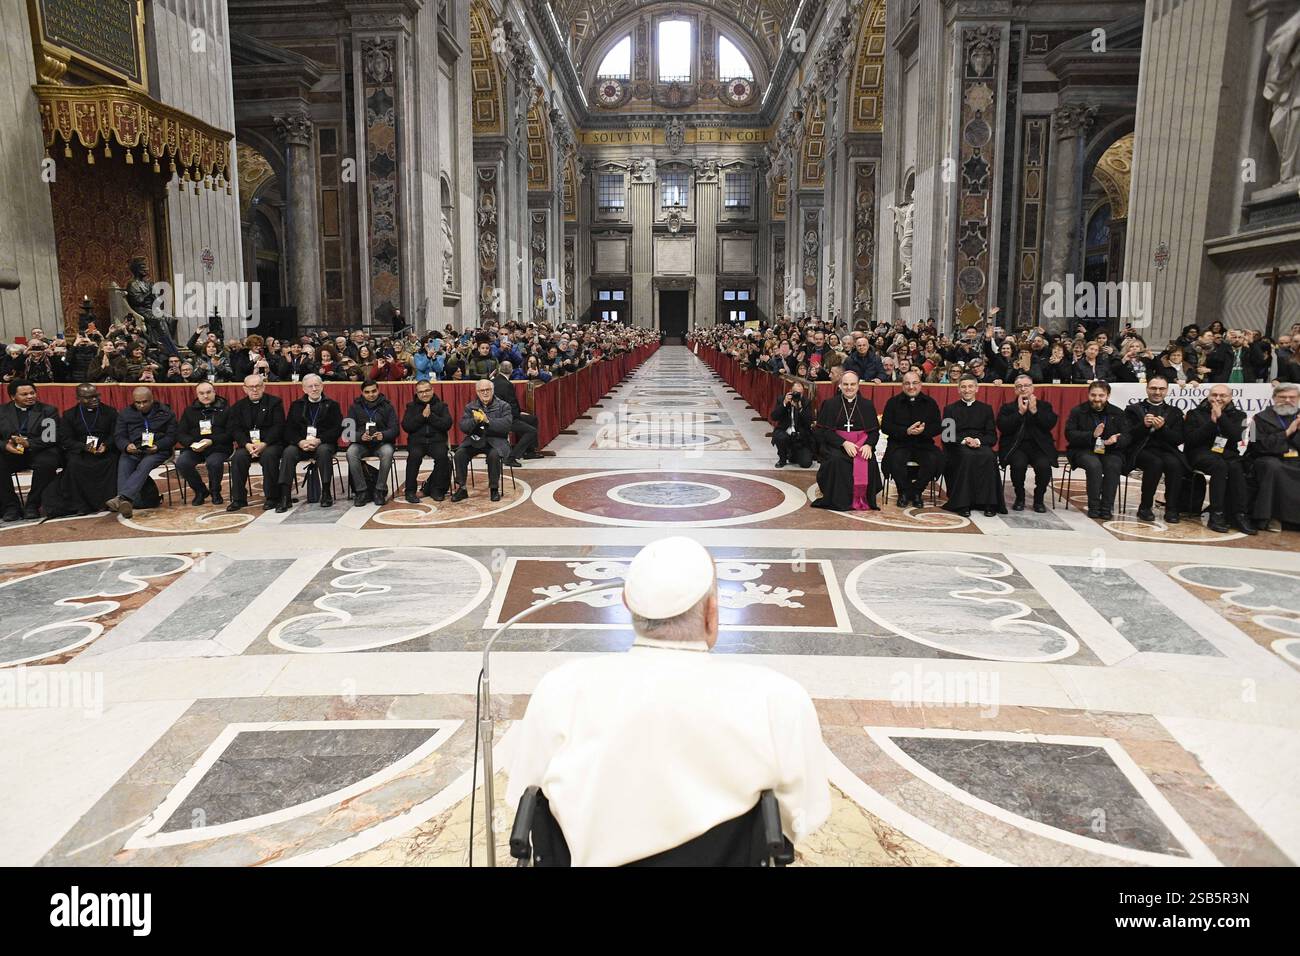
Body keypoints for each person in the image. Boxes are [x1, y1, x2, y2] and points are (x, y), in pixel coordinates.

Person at [505, 536, 830, 867]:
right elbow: (802, 818)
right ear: (712, 614)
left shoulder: (559, 689)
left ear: (626, 603)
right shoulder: (779, 701)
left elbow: (525, 796)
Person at [1184, 384, 1254, 534]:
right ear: (1208, 396)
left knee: (1237, 466)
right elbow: (1191, 440)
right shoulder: (1194, 413)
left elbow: (1236, 436)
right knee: (1219, 466)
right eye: (1214, 395)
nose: (1218, 398)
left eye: (1223, 396)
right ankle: (1216, 514)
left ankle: (1240, 514)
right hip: (1200, 452)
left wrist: (1221, 417)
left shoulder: (1239, 415)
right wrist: (1212, 423)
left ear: (1230, 398)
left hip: (1226, 452)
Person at [41, 384, 119, 517]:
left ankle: (108, 501)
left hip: (104, 450)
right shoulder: (70, 415)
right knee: (74, 464)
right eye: (89, 397)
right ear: (79, 398)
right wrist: (84, 447)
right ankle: (81, 504)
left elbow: (116, 433)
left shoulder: (110, 412)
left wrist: (106, 445)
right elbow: (66, 439)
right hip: (81, 451)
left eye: (96, 396)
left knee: (112, 461)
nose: (94, 400)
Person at [810, 371, 881, 510]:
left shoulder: (867, 405)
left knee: (869, 460)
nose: (849, 387)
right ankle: (840, 500)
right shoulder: (830, 404)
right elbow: (823, 431)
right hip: (836, 445)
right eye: (846, 384)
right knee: (837, 460)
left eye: (852, 384)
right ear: (840, 386)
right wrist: (843, 443)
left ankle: (863, 498)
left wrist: (868, 445)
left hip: (861, 445)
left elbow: (874, 432)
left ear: (858, 385)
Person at [1122, 376, 1187, 524]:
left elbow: (1178, 439)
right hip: (1140, 450)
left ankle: (1171, 508)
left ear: (1167, 391)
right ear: (1147, 389)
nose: (1157, 392)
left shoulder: (1175, 412)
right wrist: (1143, 426)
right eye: (1153, 388)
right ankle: (1145, 507)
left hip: (1166, 449)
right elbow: (1128, 436)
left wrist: (1163, 428)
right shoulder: (1133, 410)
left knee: (1175, 464)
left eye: (1161, 389)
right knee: (1155, 463)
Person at [940, 375, 1005, 517]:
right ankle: (963, 503)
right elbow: (947, 435)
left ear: (976, 388)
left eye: (970, 386)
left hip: (980, 444)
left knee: (989, 456)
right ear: (958, 390)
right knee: (967, 455)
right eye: (963, 387)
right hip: (957, 446)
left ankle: (989, 502)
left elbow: (992, 437)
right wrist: (965, 440)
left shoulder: (986, 409)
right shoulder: (949, 409)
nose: (967, 390)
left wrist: (978, 441)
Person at [107, 386, 177, 518]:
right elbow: (119, 436)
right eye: (137, 402)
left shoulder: (166, 412)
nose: (141, 405)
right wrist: (126, 446)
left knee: (145, 464)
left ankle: (122, 498)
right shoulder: (125, 414)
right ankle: (125, 504)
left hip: (158, 450)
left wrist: (158, 446)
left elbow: (172, 437)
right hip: (135, 450)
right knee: (124, 463)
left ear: (152, 400)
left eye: (145, 402)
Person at [1065, 381, 1129, 519]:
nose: (1097, 399)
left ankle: (1106, 507)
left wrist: (1116, 439)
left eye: (1101, 395)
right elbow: (1069, 434)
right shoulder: (1078, 411)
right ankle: (1094, 506)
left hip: (1110, 450)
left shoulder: (1118, 413)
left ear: (1108, 395)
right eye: (1093, 395)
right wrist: (1092, 435)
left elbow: (1127, 435)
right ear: (1088, 394)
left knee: (1113, 465)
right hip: (1083, 449)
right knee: (1094, 465)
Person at [996, 373, 1059, 513]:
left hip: (1039, 446)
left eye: (1026, 386)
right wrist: (1019, 412)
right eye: (1019, 386)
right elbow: (1003, 427)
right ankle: (1020, 497)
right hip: (1016, 446)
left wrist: (1034, 411)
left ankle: (1039, 498)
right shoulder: (1007, 407)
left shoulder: (1044, 406)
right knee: (1018, 465)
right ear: (1015, 390)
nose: (1023, 389)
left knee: (1043, 466)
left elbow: (1049, 424)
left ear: (1032, 388)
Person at [880, 371, 944, 507]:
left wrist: (924, 431)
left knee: (933, 460)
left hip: (923, 443)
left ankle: (916, 492)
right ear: (902, 385)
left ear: (920, 385)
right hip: (900, 443)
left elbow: (938, 426)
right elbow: (885, 426)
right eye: (907, 383)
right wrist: (906, 431)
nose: (911, 387)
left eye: (914, 383)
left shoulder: (930, 403)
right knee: (895, 459)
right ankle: (903, 492)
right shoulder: (893, 402)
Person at [0, 380, 60, 521]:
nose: (30, 396)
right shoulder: (1, 411)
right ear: (13, 397)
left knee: (48, 463)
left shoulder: (48, 411)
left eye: (32, 393)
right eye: (24, 394)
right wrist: (5, 446)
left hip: (38, 451)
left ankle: (33, 505)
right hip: (11, 452)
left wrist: (28, 443)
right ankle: (10, 506)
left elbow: (50, 437)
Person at [281, 374, 343, 510]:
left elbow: (337, 428)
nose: (314, 389)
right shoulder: (296, 405)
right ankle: (285, 496)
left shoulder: (332, 405)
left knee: (324, 451)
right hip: (302, 444)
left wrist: (319, 440)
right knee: (288, 452)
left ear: (322, 387)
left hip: (323, 443)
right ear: (304, 389)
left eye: (317, 385)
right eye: (310, 386)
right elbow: (289, 429)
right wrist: (300, 442)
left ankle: (326, 492)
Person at [227, 373, 286, 512]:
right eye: (251, 387)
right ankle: (239, 499)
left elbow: (278, 426)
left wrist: (264, 444)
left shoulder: (275, 402)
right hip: (248, 445)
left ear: (264, 387)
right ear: (244, 389)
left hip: (270, 444)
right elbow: (235, 429)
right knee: (238, 458)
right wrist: (247, 444)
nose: (255, 390)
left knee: (269, 456)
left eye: (258, 386)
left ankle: (272, 497)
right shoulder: (238, 406)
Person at [1248, 382, 1300, 532]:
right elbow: (1257, 445)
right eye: (1283, 397)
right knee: (1273, 467)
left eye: (1292, 397)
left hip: (1295, 458)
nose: (1287, 400)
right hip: (1267, 457)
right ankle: (1271, 517)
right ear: (1274, 398)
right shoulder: (1258, 418)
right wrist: (1287, 432)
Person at [452, 379, 513, 502]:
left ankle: (494, 489)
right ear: (477, 392)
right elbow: (463, 427)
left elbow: (507, 425)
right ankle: (462, 488)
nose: (485, 393)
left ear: (492, 390)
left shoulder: (503, 406)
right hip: (474, 440)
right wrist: (474, 420)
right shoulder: (470, 407)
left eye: (488, 390)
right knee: (459, 454)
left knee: (494, 455)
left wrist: (487, 421)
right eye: (482, 390)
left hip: (496, 441)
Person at [175, 381, 232, 506]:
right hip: (195, 448)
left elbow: (231, 433)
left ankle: (215, 492)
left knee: (214, 463)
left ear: (214, 392)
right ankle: (200, 491)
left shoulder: (226, 409)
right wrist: (192, 444)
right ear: (197, 394)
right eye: (201, 393)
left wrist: (211, 441)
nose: (205, 396)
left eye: (208, 392)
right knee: (182, 462)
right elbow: (180, 433)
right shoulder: (189, 411)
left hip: (219, 447)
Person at [344, 379, 399, 507]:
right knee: (351, 452)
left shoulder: (387, 406)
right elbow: (347, 432)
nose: (371, 394)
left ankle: (379, 490)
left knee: (388, 452)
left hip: (381, 443)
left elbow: (395, 429)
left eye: (374, 391)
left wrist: (383, 435)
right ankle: (361, 491)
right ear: (362, 393)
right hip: (361, 444)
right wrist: (360, 436)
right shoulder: (354, 407)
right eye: (367, 392)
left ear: (378, 390)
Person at [401, 379, 453, 502]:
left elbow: (447, 424)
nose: (424, 394)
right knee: (414, 457)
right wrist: (422, 416)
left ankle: (437, 489)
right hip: (417, 442)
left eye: (427, 391)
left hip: (437, 442)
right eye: (421, 392)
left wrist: (431, 416)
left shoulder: (442, 406)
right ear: (417, 394)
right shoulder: (411, 407)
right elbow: (406, 426)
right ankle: (410, 491)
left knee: (442, 457)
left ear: (432, 390)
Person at [492, 361, 540, 466]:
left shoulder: (494, 381)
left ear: (500, 369)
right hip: (506, 418)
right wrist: (518, 416)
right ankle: (511, 457)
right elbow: (511, 404)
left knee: (532, 419)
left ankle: (529, 451)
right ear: (512, 370)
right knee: (532, 431)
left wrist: (519, 413)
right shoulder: (507, 384)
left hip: (497, 416)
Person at [770, 381, 815, 468]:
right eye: (796, 392)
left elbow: (808, 422)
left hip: (800, 436)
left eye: (800, 393)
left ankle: (793, 454)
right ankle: (782, 459)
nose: (797, 395)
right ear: (790, 391)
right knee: (780, 436)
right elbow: (774, 417)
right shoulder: (782, 399)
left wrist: (800, 408)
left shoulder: (806, 402)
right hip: (785, 432)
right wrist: (784, 404)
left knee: (806, 463)